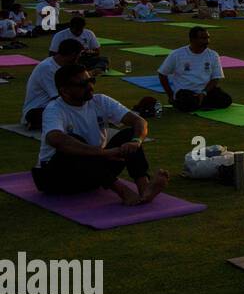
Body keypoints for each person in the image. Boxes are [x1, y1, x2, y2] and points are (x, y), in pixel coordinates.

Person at [32, 64, 169, 204]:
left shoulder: (100, 101)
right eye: (83, 84)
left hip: (93, 173)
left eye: (91, 80)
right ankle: (123, 191)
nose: (90, 86)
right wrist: (104, 153)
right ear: (65, 91)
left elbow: (139, 122)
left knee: (129, 134)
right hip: (57, 177)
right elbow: (55, 139)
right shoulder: (54, 109)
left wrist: (136, 141)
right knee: (74, 143)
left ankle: (144, 188)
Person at [157, 27, 232, 112]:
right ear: (192, 39)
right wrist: (170, 95)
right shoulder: (177, 54)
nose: (207, 41)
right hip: (185, 91)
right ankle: (194, 103)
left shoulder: (213, 55)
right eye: (203, 38)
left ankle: (199, 102)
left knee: (226, 100)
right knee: (188, 102)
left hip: (205, 91)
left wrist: (204, 93)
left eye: (208, 38)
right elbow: (162, 74)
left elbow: (216, 78)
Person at [21, 39, 82, 130]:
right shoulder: (47, 68)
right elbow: (59, 97)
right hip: (38, 109)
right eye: (78, 55)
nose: (79, 58)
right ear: (73, 55)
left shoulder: (63, 67)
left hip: (54, 106)